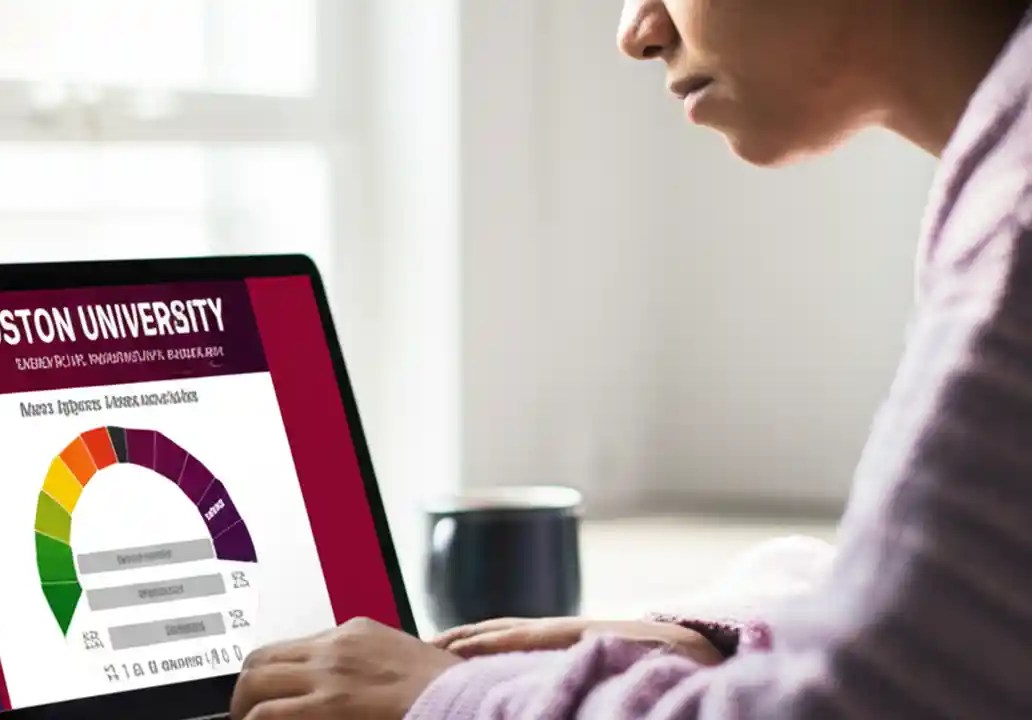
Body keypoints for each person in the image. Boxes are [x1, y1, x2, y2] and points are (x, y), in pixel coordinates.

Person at [229, 0, 1032, 717]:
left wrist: (446, 699)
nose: (635, 31)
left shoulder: (1016, 222)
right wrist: (711, 643)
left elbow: (866, 701)